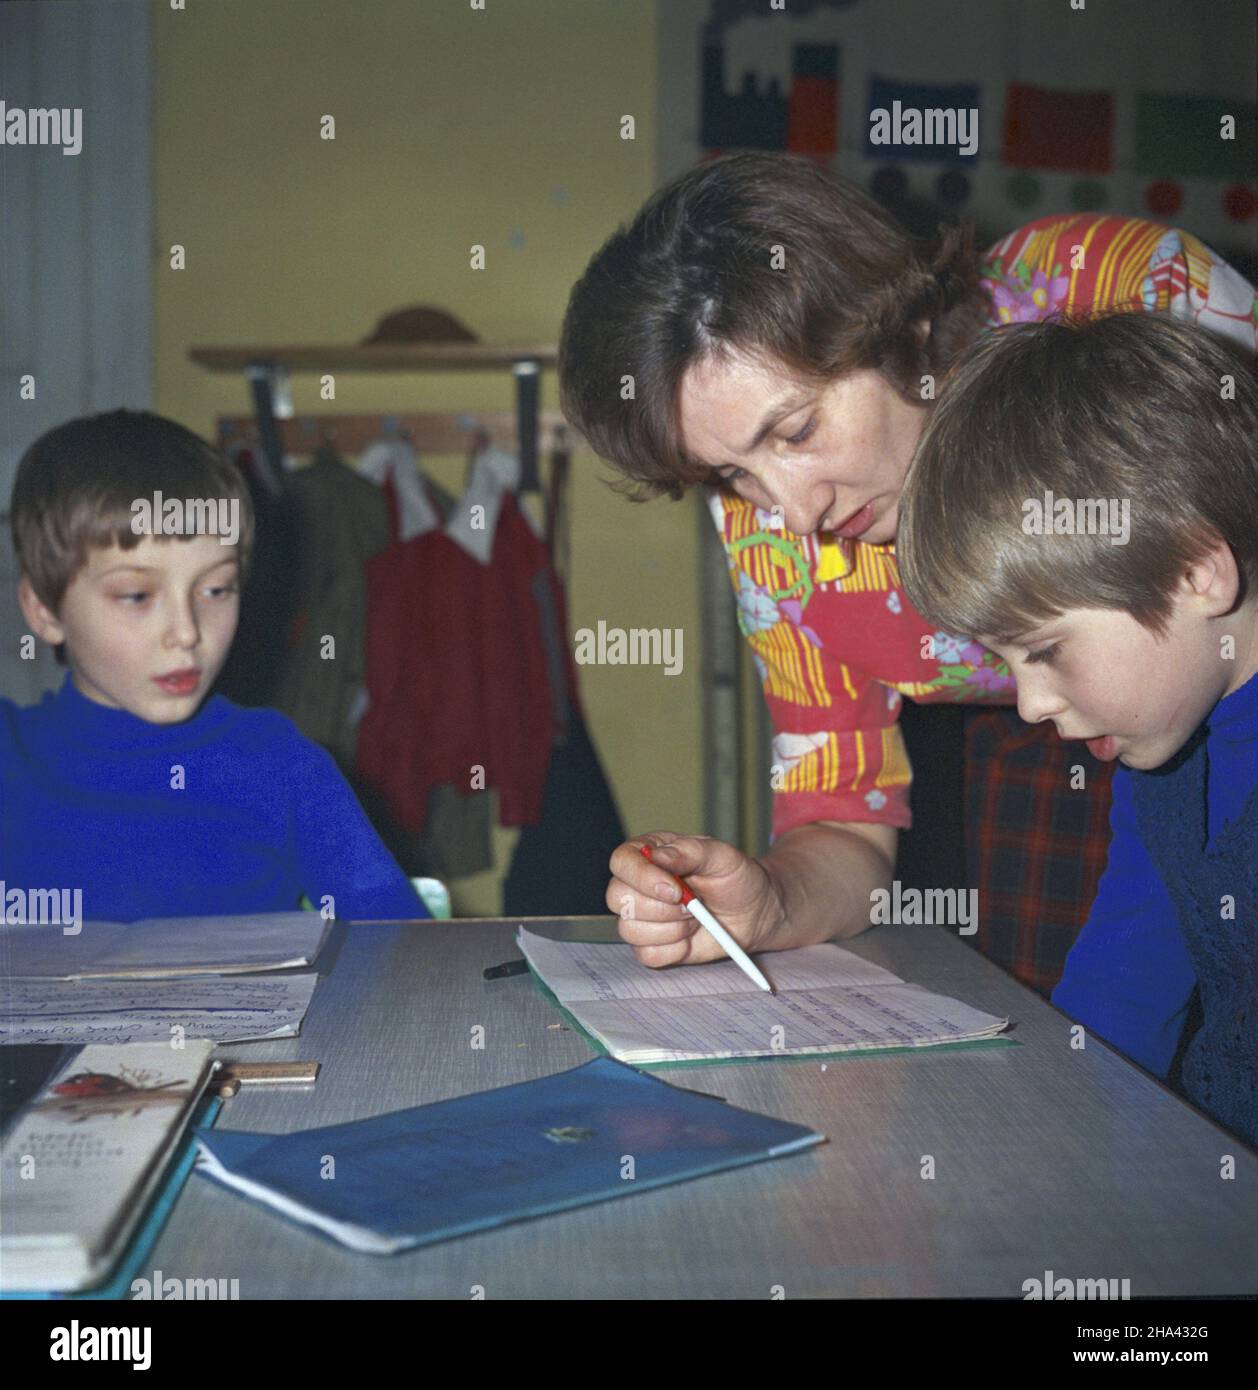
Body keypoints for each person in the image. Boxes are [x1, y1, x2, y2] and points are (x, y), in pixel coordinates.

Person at [557, 151, 1257, 989]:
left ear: (904, 328)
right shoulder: (771, 535)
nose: (792, 513)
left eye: (797, 429)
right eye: (729, 473)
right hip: (1060, 756)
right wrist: (769, 902)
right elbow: (844, 820)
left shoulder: (1116, 289)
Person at [896, 312, 1258, 1146]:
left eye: (1046, 650)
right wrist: (1046, 1138)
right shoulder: (1161, 760)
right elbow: (1126, 981)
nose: (1028, 705)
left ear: (1198, 571)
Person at [0, 409, 429, 924]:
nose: (186, 632)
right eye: (137, 595)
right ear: (44, 610)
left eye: (216, 589)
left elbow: (400, 951)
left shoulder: (283, 768)